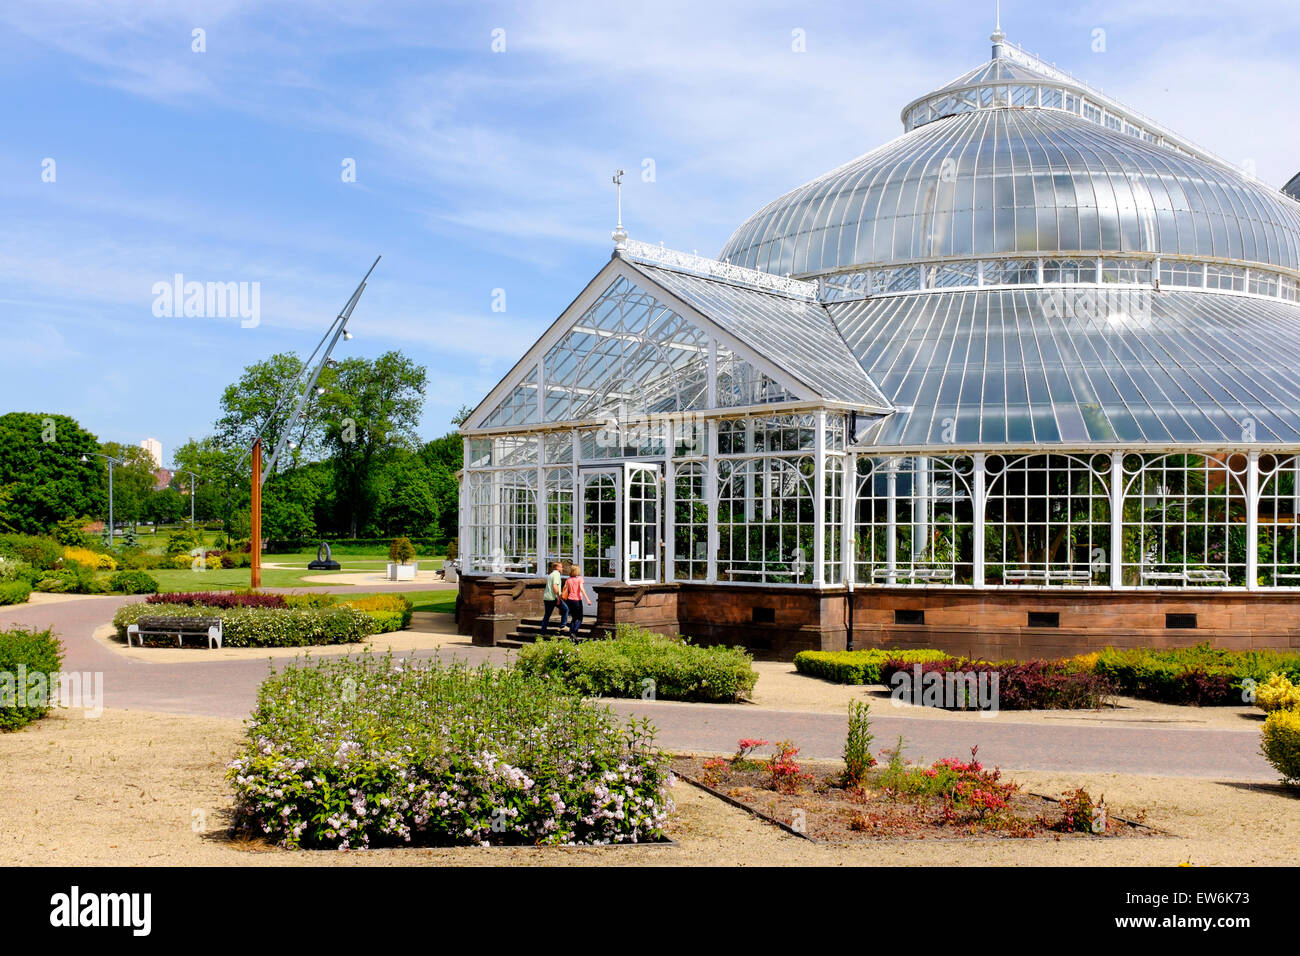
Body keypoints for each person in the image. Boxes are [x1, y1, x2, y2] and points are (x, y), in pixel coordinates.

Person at [561, 563, 592, 638]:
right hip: (577, 600)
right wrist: (587, 599)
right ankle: (574, 632)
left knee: (574, 618)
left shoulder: (568, 579)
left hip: (570, 600)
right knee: (580, 618)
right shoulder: (580, 579)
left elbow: (565, 589)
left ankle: (572, 633)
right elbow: (581, 589)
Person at [539, 560, 568, 635]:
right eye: (561, 567)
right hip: (553, 598)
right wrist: (558, 597)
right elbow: (555, 586)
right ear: (557, 567)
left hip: (547, 597)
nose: (562, 569)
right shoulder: (556, 574)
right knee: (565, 609)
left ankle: (543, 632)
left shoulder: (551, 574)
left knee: (547, 615)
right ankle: (562, 626)